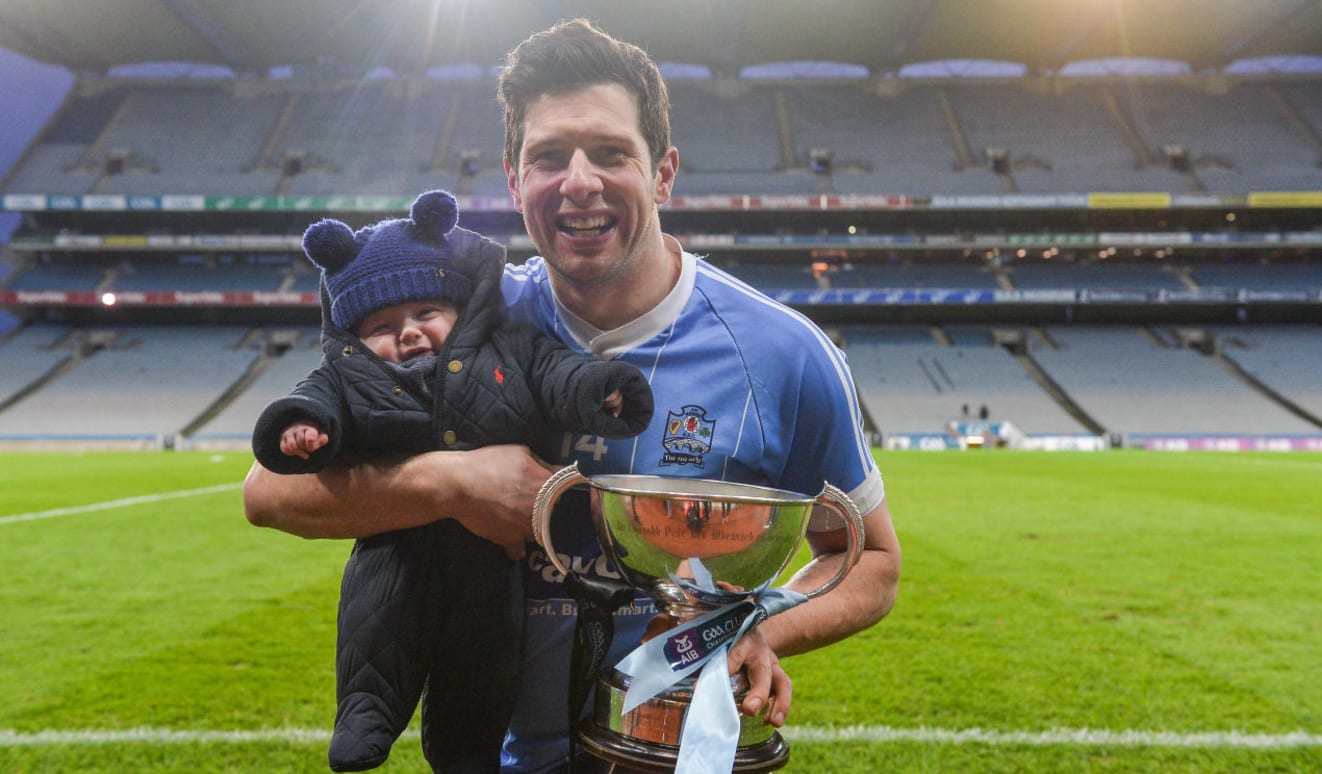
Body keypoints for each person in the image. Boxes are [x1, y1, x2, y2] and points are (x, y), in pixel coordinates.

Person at [244, 18, 901, 774]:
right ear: (516, 180)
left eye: (611, 153)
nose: (579, 180)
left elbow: (871, 559)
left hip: (671, 754)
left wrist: (747, 629)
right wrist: (451, 483)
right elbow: (267, 493)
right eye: (549, 156)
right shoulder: (457, 334)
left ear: (663, 173)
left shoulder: (783, 353)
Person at [250, 188, 653, 773]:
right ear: (354, 338)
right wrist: (302, 430)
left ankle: (465, 754)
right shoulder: (349, 376)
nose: (408, 333)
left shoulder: (509, 349)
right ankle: (366, 713)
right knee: (375, 629)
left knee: (483, 667)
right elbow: (314, 404)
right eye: (383, 325)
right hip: (395, 550)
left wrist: (602, 392)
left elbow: (557, 374)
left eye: (424, 315)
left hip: (491, 567)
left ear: (460, 309)